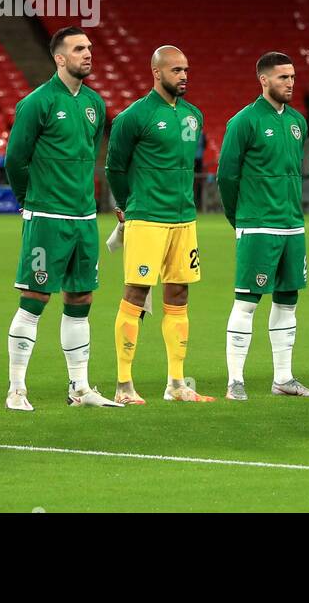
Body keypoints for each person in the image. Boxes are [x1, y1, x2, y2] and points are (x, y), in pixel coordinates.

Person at [4, 26, 122, 410]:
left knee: (81, 297)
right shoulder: (36, 103)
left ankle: (80, 388)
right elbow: (15, 160)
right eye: (78, 49)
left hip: (84, 217)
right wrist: (28, 202)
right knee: (35, 297)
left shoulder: (94, 103)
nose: (88, 53)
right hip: (47, 217)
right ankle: (16, 389)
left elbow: (88, 156)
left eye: (89, 47)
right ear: (59, 58)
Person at [106, 45, 213, 403]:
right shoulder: (134, 116)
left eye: (186, 70)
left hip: (184, 219)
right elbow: (115, 168)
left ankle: (177, 384)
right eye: (176, 70)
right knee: (136, 294)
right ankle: (123, 385)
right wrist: (126, 205)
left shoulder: (193, 115)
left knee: (179, 295)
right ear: (157, 72)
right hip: (148, 218)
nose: (183, 76)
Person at [217, 52, 309, 399]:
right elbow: (227, 176)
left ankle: (283, 379)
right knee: (247, 302)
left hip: (292, 224)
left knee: (288, 301)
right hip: (258, 225)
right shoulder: (243, 122)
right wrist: (239, 218)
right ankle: (235, 381)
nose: (290, 83)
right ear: (263, 80)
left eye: (292, 77)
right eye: (282, 78)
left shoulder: (297, 122)